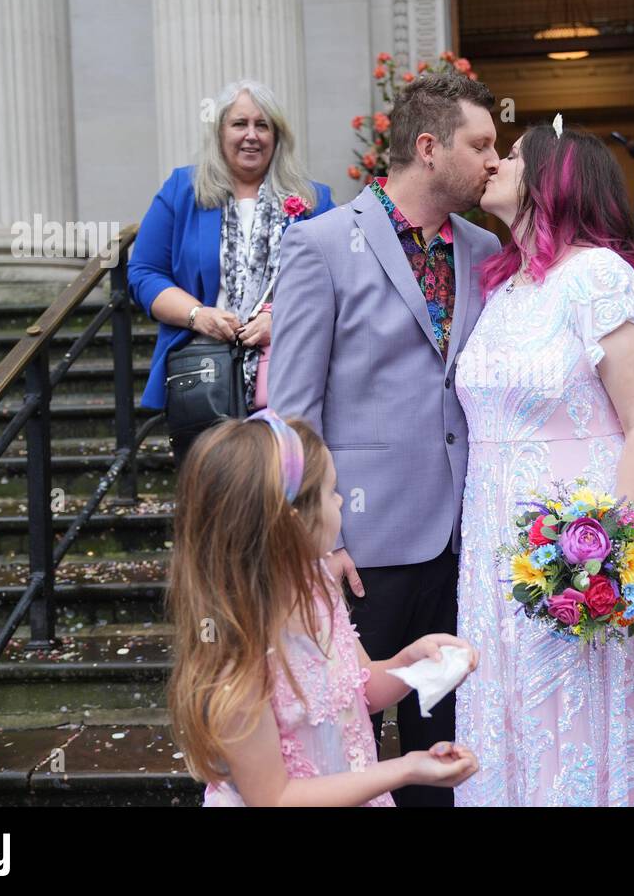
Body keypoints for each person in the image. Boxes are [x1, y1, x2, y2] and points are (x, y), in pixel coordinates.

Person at [453, 123, 634, 807]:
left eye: (510, 156)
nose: (493, 164)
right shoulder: (505, 289)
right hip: (501, 551)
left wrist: (607, 552)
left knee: (589, 728)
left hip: (588, 544)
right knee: (524, 728)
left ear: (551, 179)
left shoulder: (600, 277)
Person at [268, 72, 502, 807]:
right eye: (482, 144)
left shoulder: (481, 244)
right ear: (429, 148)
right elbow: (293, 406)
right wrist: (315, 538)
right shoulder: (322, 244)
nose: (495, 160)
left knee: (447, 738)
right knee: (348, 730)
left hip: (464, 538)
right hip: (361, 544)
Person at [166, 409, 480, 806]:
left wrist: (414, 664)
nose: (342, 498)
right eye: (331, 491)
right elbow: (274, 798)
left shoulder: (317, 589)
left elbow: (360, 688)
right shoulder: (237, 660)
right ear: (294, 522)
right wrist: (404, 768)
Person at [128, 80, 334, 462]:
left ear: (278, 135)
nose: (251, 136)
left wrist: (284, 319)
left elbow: (338, 282)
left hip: (290, 375)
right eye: (240, 124)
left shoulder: (313, 200)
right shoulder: (182, 191)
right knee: (217, 501)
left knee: (287, 496)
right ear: (220, 132)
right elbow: (144, 273)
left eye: (263, 125)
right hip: (208, 380)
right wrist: (198, 315)